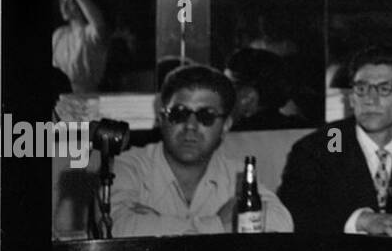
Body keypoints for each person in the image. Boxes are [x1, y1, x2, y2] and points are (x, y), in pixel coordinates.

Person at [110, 65, 293, 236]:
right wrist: (219, 223)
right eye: (179, 114)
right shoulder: (128, 167)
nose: (191, 126)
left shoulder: (238, 176)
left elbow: (281, 224)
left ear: (226, 125)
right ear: (162, 118)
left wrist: (158, 224)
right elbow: (118, 227)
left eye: (206, 116)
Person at [279, 49, 392, 237]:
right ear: (351, 98)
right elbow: (296, 208)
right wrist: (363, 220)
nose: (370, 99)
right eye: (361, 88)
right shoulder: (328, 142)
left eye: (384, 89)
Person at [51, 0, 108, 95]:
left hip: (86, 99)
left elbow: (99, 26)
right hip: (59, 99)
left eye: (70, 2)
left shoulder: (90, 34)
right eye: (62, 2)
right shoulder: (59, 35)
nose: (63, 7)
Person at [225, 47, 303, 131]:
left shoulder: (224, 137)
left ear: (249, 98)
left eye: (227, 86)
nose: (221, 94)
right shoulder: (304, 131)